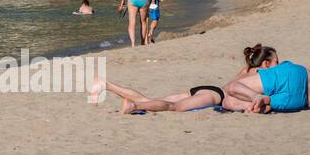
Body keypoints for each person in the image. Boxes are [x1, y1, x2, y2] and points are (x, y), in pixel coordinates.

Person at [97, 43, 279, 113]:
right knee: (173, 107)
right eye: (276, 62)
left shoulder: (246, 68)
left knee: (156, 100)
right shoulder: (262, 75)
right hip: (216, 96)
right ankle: (135, 106)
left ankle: (108, 85)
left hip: (208, 88)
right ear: (266, 64)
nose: (279, 66)